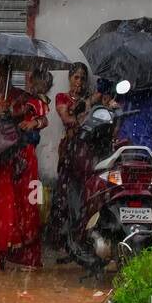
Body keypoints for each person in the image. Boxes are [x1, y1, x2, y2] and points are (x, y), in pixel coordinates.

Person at [0, 59, 42, 272]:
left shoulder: (22, 98)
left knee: (28, 208)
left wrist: (30, 122)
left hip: (22, 160)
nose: (0, 78)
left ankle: (28, 258)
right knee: (3, 210)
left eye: (3, 73)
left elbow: (42, 119)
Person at [52, 62, 97, 256]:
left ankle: (81, 240)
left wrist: (86, 105)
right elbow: (67, 119)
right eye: (76, 77)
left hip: (85, 151)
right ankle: (63, 243)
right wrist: (84, 109)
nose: (79, 81)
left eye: (82, 78)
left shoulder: (88, 99)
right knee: (64, 198)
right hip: (70, 151)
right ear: (70, 78)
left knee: (84, 197)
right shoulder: (62, 97)